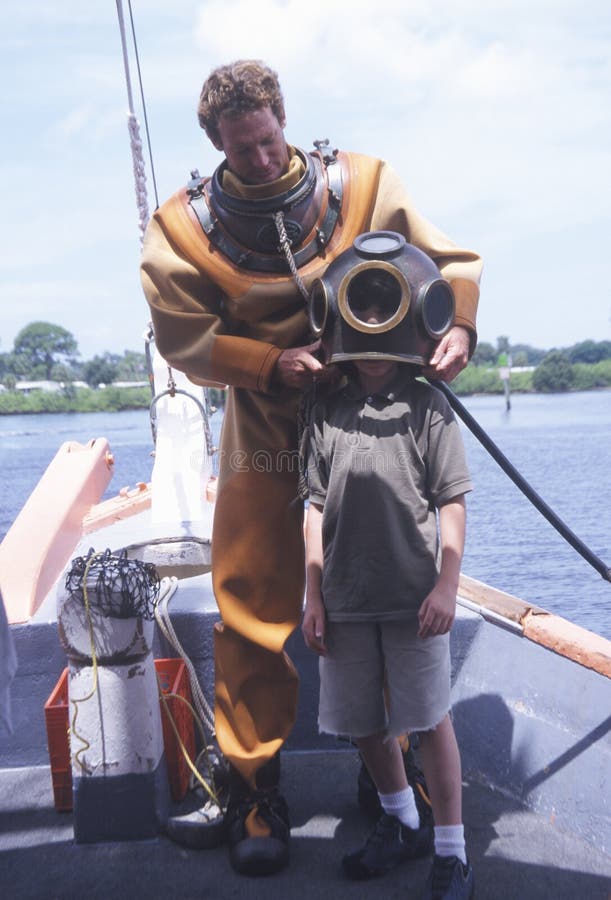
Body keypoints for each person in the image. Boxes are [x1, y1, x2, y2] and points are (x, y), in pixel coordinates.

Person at [140, 59, 482, 877]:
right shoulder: (180, 227)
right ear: (214, 145)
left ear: (282, 120)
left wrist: (459, 328)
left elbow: (447, 262)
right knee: (252, 608)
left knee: (389, 585)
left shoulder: (362, 184)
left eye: (266, 140)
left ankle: (393, 781)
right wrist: (268, 363)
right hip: (264, 432)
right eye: (240, 149)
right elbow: (180, 334)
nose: (259, 160)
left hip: (373, 421)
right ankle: (254, 787)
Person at [302, 260, 475, 899]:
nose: (373, 348)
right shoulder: (328, 408)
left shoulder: (428, 407)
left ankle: (452, 851)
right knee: (361, 722)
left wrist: (446, 586)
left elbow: (452, 501)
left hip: (413, 599)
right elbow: (313, 507)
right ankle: (402, 817)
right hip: (345, 598)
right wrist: (313, 594)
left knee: (429, 719)